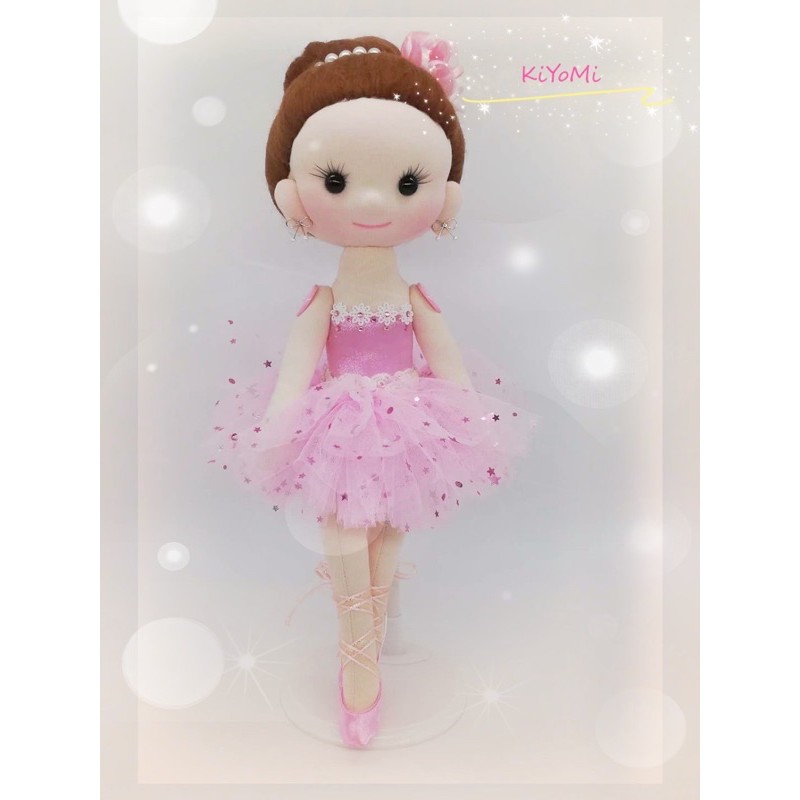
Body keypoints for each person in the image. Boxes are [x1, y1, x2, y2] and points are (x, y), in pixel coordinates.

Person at [208, 33, 537, 747]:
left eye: (406, 183)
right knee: (344, 529)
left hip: (410, 415)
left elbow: (448, 363)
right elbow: (296, 371)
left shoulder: (414, 297)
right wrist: (278, 428)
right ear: (292, 190)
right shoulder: (322, 302)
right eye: (335, 181)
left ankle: (368, 636)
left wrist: (470, 419)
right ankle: (357, 650)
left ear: (443, 192)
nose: (369, 201)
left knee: (387, 528)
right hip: (339, 417)